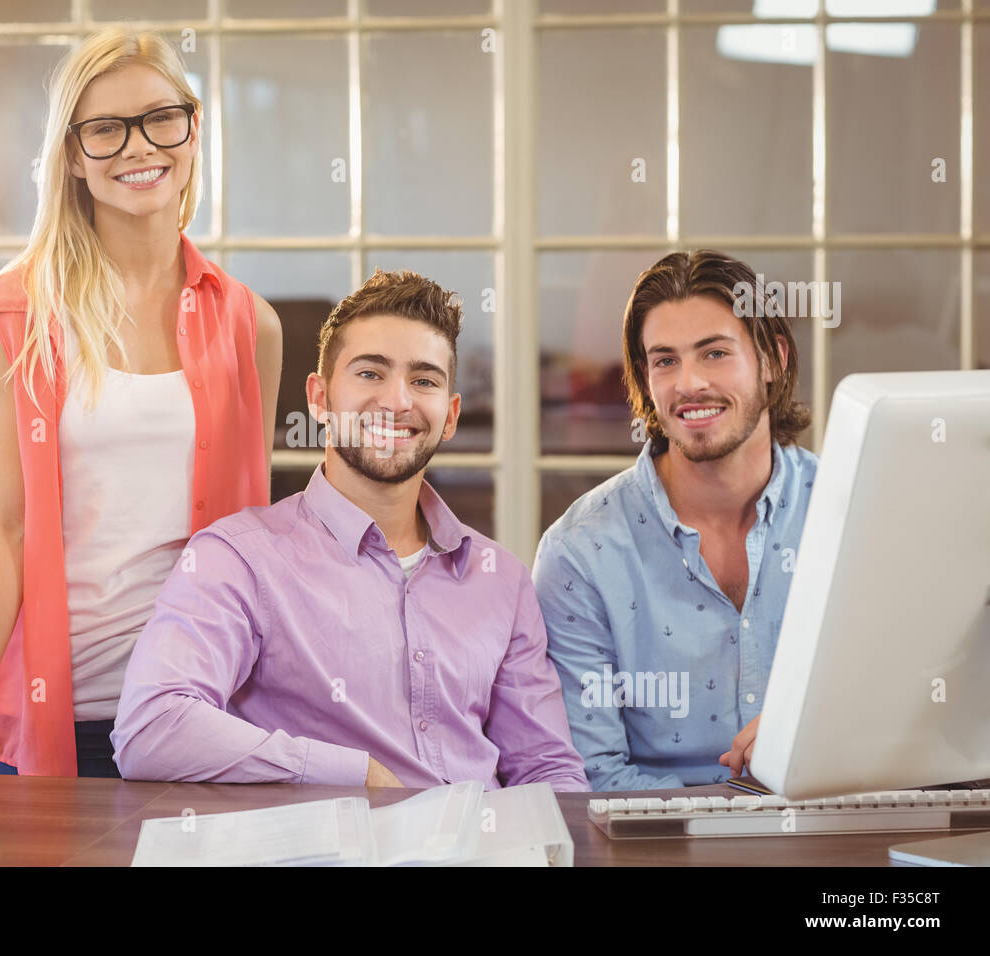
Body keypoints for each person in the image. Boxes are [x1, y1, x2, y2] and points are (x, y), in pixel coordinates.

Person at [111, 269, 588, 792]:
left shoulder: (502, 579)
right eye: (370, 373)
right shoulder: (238, 559)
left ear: (449, 416)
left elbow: (548, 770)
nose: (397, 401)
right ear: (319, 398)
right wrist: (351, 773)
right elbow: (152, 728)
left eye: (424, 380)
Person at [0, 27, 282, 778]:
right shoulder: (16, 314)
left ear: (192, 130)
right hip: (47, 714)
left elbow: (252, 537)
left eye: (161, 119)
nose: (140, 147)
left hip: (198, 708)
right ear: (71, 155)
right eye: (105, 129)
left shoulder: (249, 325)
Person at [533, 249, 817, 790]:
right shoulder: (579, 553)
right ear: (645, 377)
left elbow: (913, 704)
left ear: (773, 358)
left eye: (714, 353)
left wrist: (812, 741)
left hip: (839, 830)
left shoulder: (845, 510)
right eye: (665, 360)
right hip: (662, 847)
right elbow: (591, 779)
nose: (689, 384)